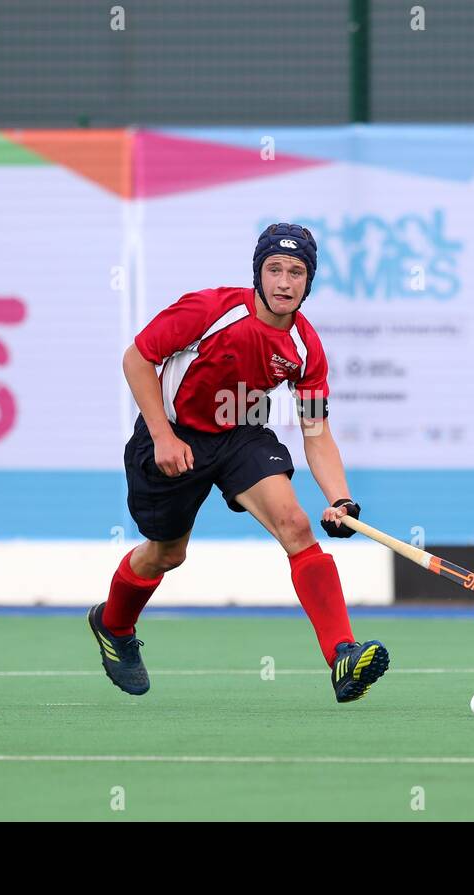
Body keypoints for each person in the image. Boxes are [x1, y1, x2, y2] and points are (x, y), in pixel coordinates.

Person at [88, 223, 390, 703]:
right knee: (166, 553)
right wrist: (163, 436)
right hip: (172, 433)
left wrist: (340, 499)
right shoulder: (210, 309)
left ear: (308, 282)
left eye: (296, 272)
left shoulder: (306, 349)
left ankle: (342, 655)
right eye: (275, 269)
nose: (285, 282)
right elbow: (136, 359)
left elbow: (316, 430)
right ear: (258, 273)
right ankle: (113, 624)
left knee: (295, 524)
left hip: (241, 434)